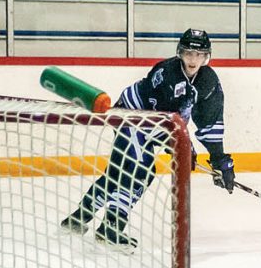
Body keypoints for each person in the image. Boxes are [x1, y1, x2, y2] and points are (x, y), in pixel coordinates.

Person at [61, 29, 235, 249]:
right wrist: (182, 147)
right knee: (139, 172)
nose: (193, 59)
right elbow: (162, 121)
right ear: (180, 53)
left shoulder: (208, 81)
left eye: (199, 55)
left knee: (117, 172)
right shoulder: (167, 72)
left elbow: (210, 120)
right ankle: (110, 229)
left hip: (152, 126)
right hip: (133, 117)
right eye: (189, 53)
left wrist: (220, 161)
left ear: (206, 57)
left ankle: (78, 218)